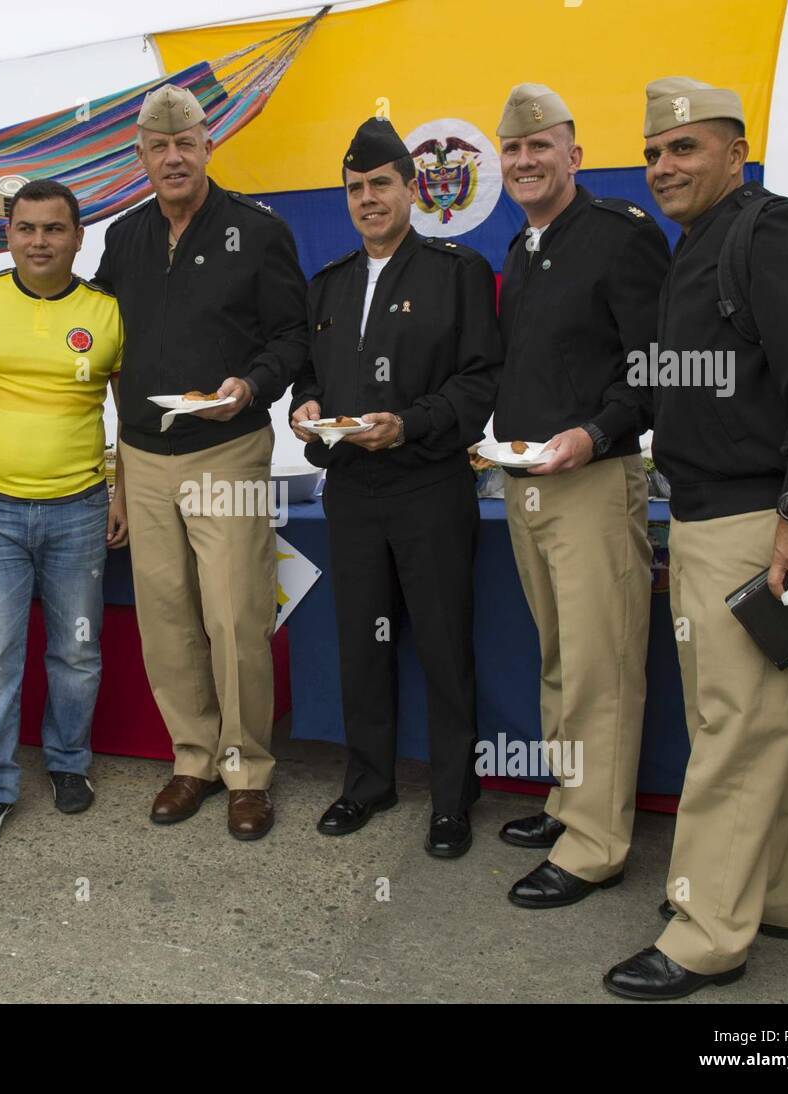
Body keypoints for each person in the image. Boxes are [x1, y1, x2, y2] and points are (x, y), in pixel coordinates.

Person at [603, 78, 788, 1000]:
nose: (663, 166)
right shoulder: (698, 248)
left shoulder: (773, 232)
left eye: (685, 148)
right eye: (652, 153)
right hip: (710, 516)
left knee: (735, 730)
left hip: (768, 523)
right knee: (751, 722)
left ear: (736, 151)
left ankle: (707, 932)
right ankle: (777, 895)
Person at [94, 84, 308, 841]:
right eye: (160, 146)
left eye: (186, 143)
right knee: (166, 618)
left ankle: (248, 768)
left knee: (235, 612)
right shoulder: (122, 240)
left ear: (208, 146)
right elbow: (109, 356)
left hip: (228, 448)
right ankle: (193, 759)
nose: (174, 157)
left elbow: (293, 337)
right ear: (142, 157)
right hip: (146, 457)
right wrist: (118, 469)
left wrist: (248, 385)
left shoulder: (258, 231)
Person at [289, 117, 502, 856]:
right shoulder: (329, 286)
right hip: (351, 492)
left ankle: (453, 796)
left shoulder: (458, 273)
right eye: (355, 189)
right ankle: (368, 782)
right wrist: (305, 409)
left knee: (444, 647)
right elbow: (309, 375)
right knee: (363, 646)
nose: (368, 199)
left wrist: (409, 425)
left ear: (413, 191)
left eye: (381, 184)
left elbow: (481, 383)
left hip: (429, 488)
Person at [492, 85, 668, 906]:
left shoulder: (619, 238)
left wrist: (594, 435)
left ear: (575, 154)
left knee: (602, 666)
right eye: (513, 150)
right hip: (525, 483)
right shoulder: (522, 250)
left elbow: (657, 369)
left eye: (541, 146)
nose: (525, 161)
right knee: (562, 660)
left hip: (594, 482)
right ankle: (570, 803)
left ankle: (597, 843)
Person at [0, 179, 128, 848]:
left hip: (79, 509)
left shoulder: (107, 311)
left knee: (76, 650)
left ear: (78, 236)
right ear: (7, 234)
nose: (40, 241)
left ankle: (69, 764)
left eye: (54, 229)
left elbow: (130, 416)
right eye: (27, 228)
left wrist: (121, 492)